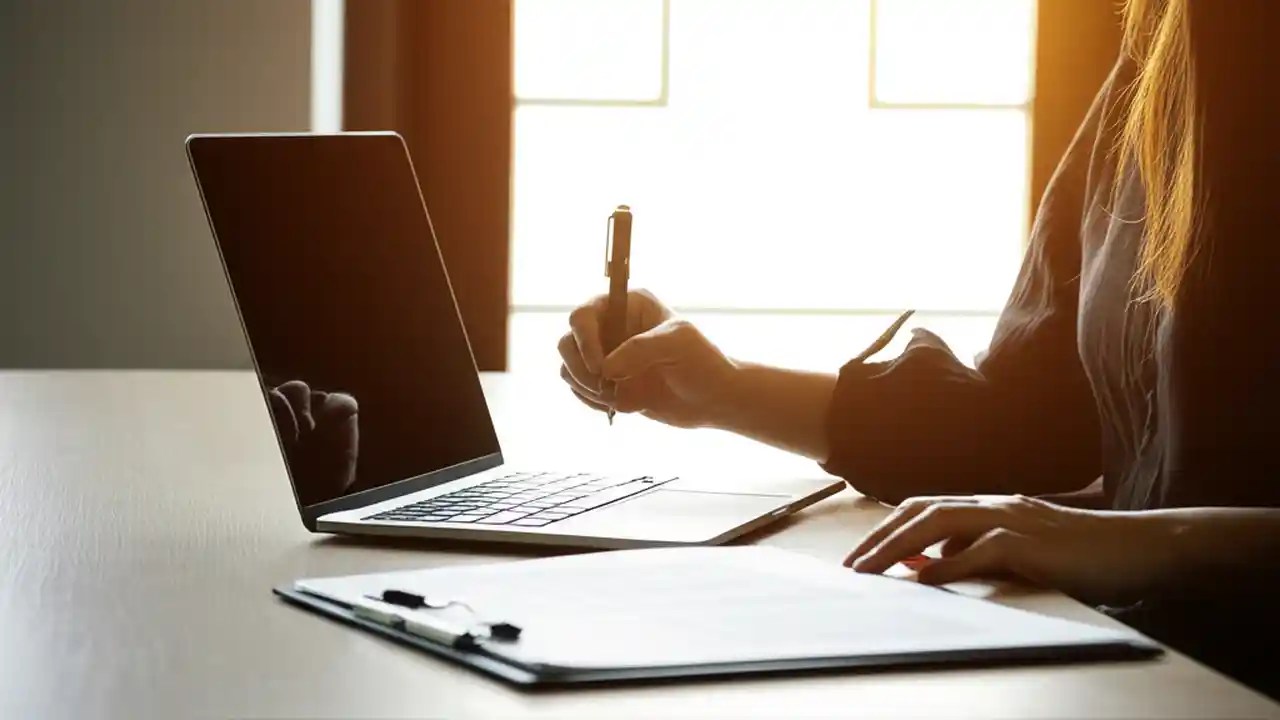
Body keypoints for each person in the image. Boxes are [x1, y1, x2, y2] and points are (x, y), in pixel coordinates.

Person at [557, 1, 1280, 699]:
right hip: (1141, 669)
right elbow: (1028, 423)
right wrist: (723, 387)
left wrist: (1139, 542)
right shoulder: (1165, 43)